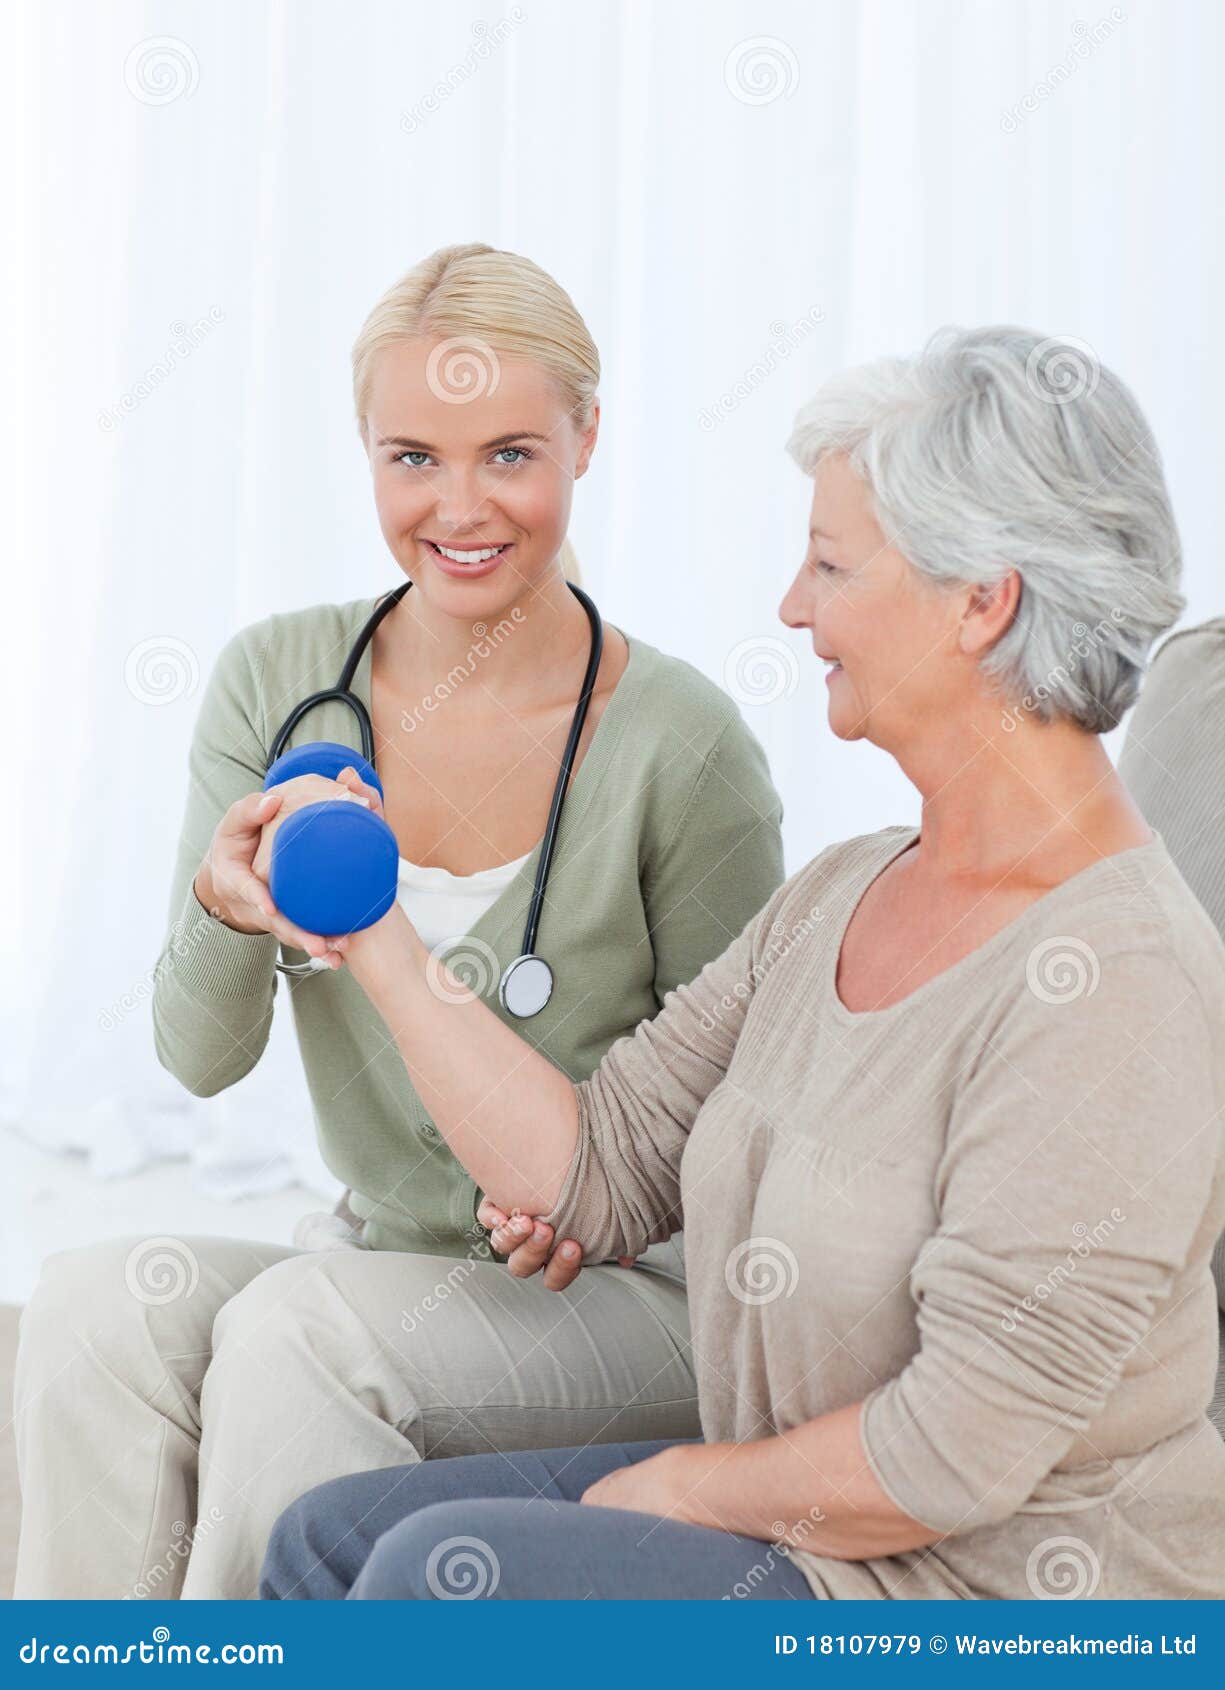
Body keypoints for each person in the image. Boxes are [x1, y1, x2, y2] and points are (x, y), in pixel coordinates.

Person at [263, 325, 1225, 1601]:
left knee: (443, 1580)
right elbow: (592, 1172)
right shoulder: (842, 891)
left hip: (988, 1598)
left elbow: (951, 1451)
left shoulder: (1117, 981)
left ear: (979, 599)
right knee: (324, 1540)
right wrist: (369, 928)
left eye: (830, 563)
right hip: (795, 1513)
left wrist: (672, 1488)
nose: (792, 606)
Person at [12, 243, 784, 1600]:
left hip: (630, 1300)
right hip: (384, 1261)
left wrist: (599, 1202)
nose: (459, 505)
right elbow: (197, 1060)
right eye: (411, 456)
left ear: (587, 438)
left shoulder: (681, 743)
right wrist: (220, 903)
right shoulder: (282, 681)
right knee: (88, 1304)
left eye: (509, 453)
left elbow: (759, 1123)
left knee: (299, 1335)